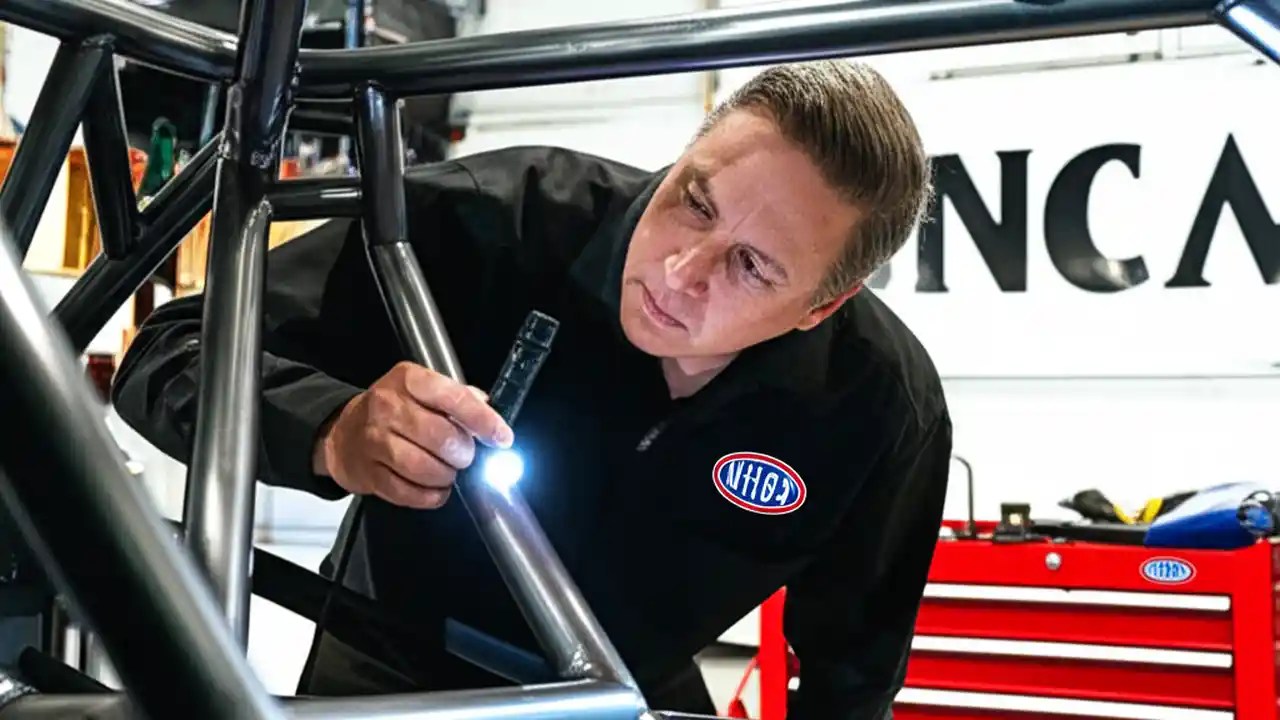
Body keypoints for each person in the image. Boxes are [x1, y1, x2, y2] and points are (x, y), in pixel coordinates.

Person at [112, 59, 952, 717]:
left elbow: (855, 669)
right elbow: (167, 350)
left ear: (823, 305)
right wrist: (330, 429)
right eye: (695, 203)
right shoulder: (497, 221)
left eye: (751, 267)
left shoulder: (882, 410)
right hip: (388, 654)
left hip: (625, 690)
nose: (679, 270)